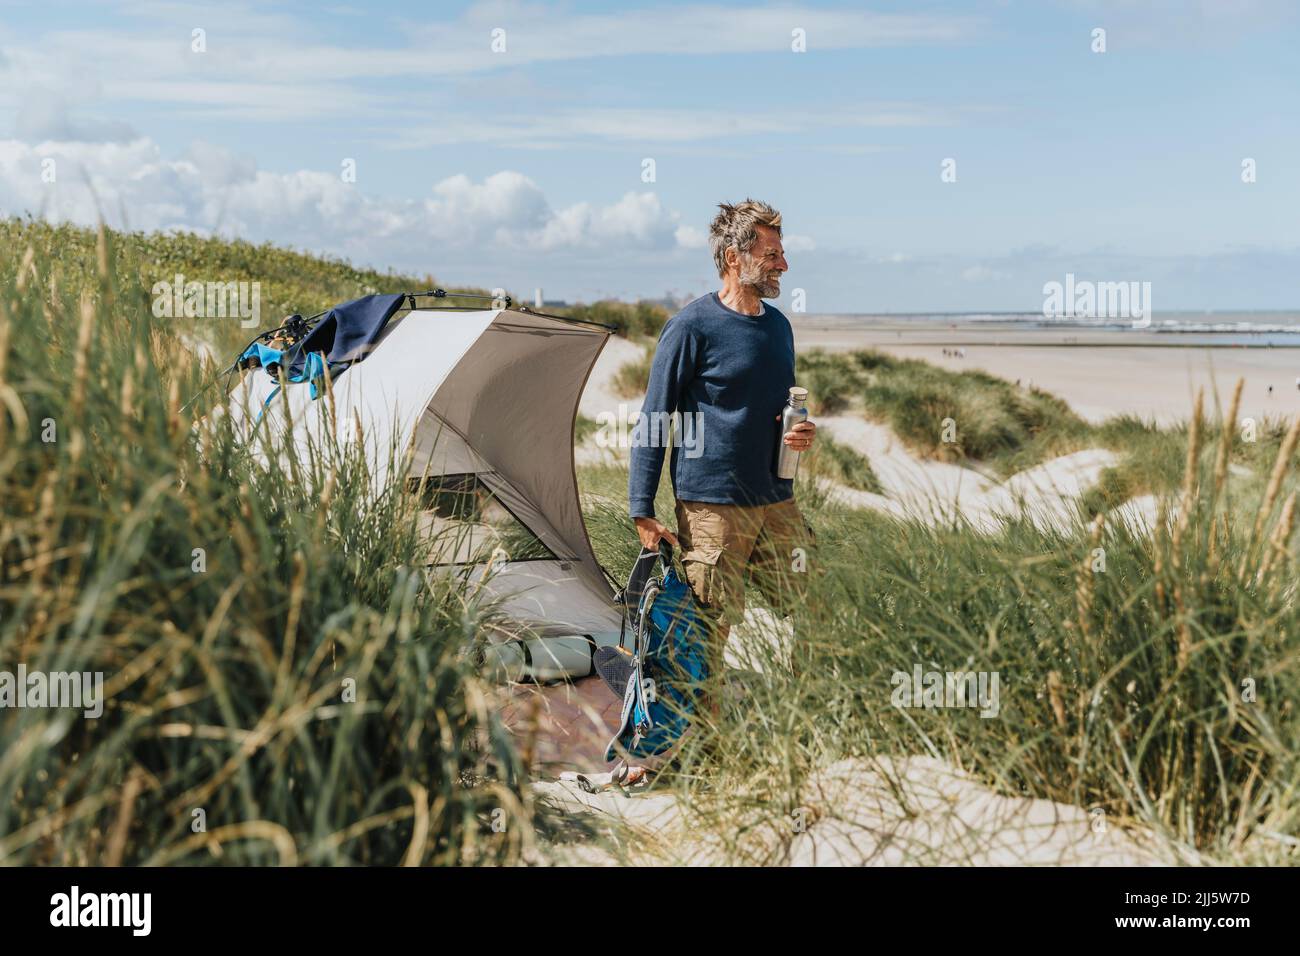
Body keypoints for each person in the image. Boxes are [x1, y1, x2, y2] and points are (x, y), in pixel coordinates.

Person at [628, 199, 818, 689]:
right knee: (710, 633)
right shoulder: (690, 326)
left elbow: (780, 409)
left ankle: (812, 708)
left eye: (782, 253)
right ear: (735, 257)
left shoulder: (779, 326)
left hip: (777, 500)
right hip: (712, 506)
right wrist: (641, 508)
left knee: (820, 600)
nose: (784, 264)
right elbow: (655, 416)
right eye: (772, 253)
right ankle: (704, 748)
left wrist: (799, 431)